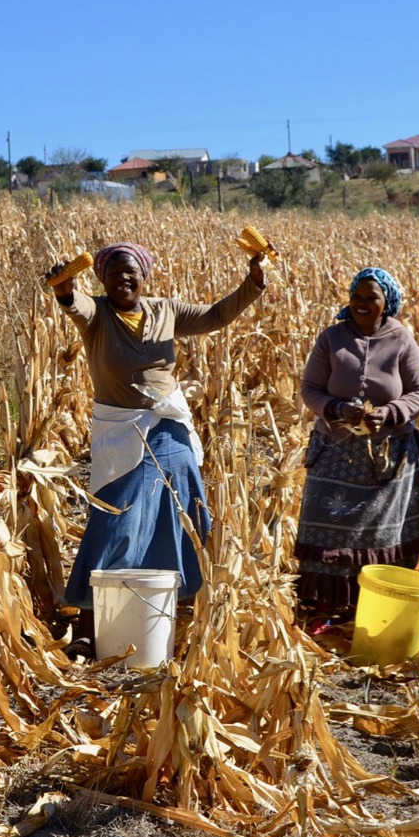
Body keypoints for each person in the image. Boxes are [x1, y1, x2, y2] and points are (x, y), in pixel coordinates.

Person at [47, 242, 268, 643]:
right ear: (101, 279)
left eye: (130, 272)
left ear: (144, 275)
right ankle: (94, 617)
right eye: (113, 274)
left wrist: (253, 281)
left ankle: (177, 604)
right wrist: (64, 288)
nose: (122, 280)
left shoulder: (164, 311)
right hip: (121, 429)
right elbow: (75, 304)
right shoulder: (98, 315)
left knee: (181, 509)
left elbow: (217, 315)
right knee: (120, 518)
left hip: (168, 426)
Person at [294, 266, 419, 624]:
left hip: (386, 459)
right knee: (326, 524)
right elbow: (310, 388)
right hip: (335, 451)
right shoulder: (332, 338)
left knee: (379, 533)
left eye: (371, 297)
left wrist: (388, 413)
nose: (361, 303)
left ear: (387, 302)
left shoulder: (401, 339)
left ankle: (372, 608)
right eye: (356, 297)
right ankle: (325, 607)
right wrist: (337, 409)